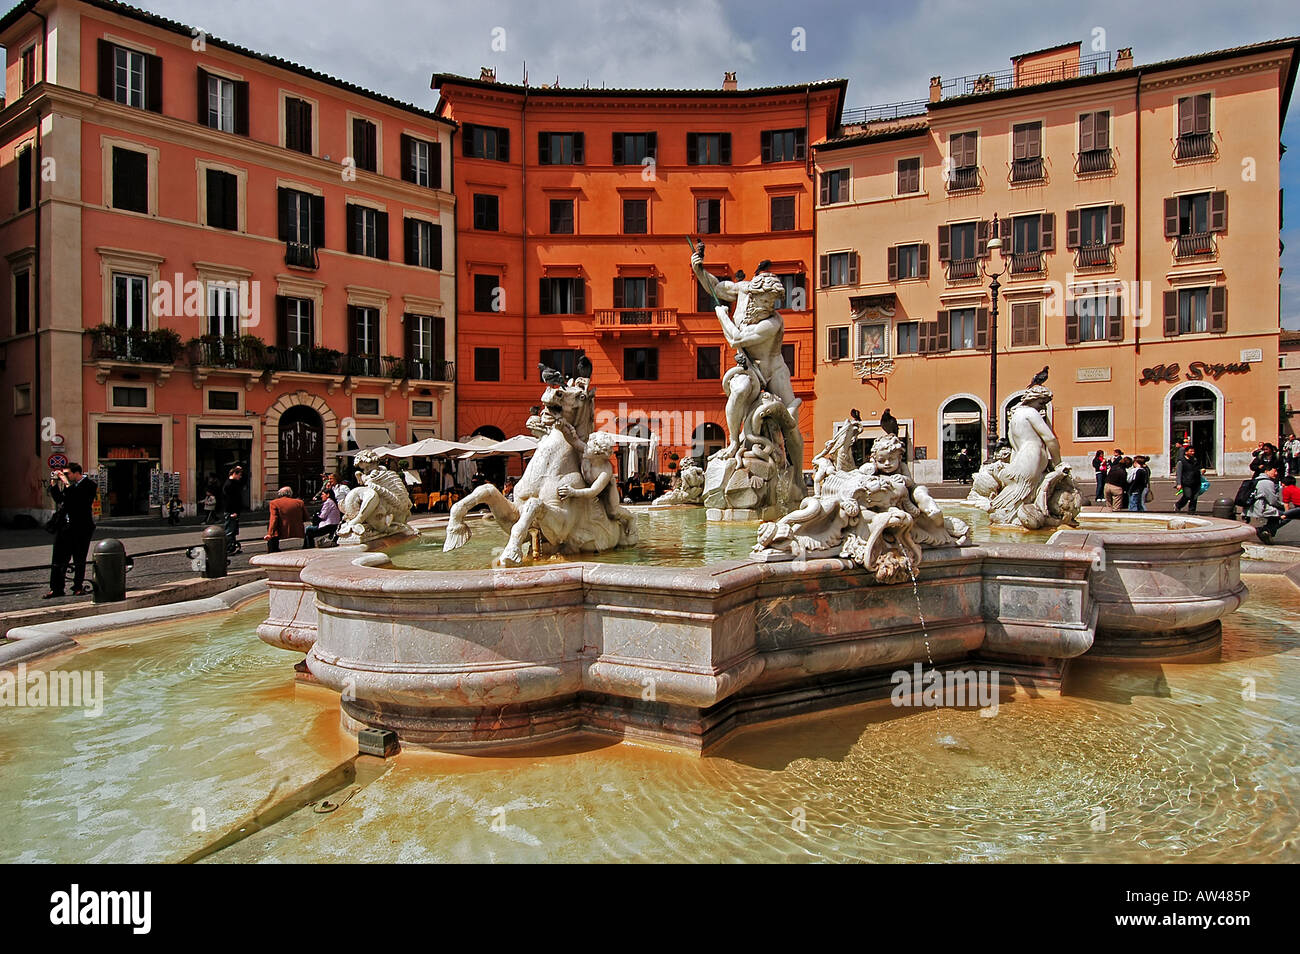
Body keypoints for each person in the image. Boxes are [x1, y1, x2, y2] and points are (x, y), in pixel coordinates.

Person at [45, 463, 98, 599]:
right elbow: (61, 501)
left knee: (79, 558)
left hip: (81, 528)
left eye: (67, 473)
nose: (66, 476)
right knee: (58, 559)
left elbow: (79, 501)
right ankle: (56, 588)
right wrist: (54, 485)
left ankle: (78, 586)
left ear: (76, 473)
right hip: (65, 527)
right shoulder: (70, 486)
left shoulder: (89, 485)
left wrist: (67, 484)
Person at [264, 486, 307, 552]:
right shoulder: (300, 502)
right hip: (298, 531)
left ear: (280, 494)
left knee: (271, 529)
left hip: (282, 531)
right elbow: (306, 517)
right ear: (290, 493)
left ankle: (273, 549)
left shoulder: (274, 503)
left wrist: (270, 533)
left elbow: (274, 519)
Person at [1252, 464, 1286, 544]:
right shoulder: (1267, 482)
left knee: (1275, 516)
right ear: (1266, 471)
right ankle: (1266, 530)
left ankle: (1267, 533)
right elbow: (1273, 500)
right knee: (1287, 515)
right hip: (1261, 507)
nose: (1276, 473)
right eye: (1274, 471)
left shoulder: (1257, 479)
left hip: (1255, 506)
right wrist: (1283, 505)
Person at [304, 480, 342, 548]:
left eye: (323, 494)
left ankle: (308, 546)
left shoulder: (328, 502)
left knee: (308, 529)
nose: (321, 496)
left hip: (329, 525)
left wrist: (316, 516)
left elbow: (322, 516)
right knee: (309, 530)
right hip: (333, 524)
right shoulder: (332, 502)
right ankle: (308, 545)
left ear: (328, 495)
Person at [221, 465, 245, 554]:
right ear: (234, 474)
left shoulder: (234, 483)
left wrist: (239, 468)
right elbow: (229, 500)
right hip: (231, 511)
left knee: (233, 530)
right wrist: (233, 512)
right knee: (230, 530)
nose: (240, 477)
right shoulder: (229, 485)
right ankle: (228, 548)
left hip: (234, 510)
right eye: (239, 474)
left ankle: (232, 547)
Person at [1173, 446, 1203, 512]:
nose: (1193, 453)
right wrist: (1179, 484)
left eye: (1193, 451)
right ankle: (1178, 505)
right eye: (1191, 451)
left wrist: (1201, 470)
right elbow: (1179, 473)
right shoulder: (1181, 461)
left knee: (1194, 498)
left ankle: (1191, 512)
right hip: (1186, 482)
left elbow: (1198, 468)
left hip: (1196, 481)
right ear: (1186, 452)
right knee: (1187, 495)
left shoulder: (1195, 460)